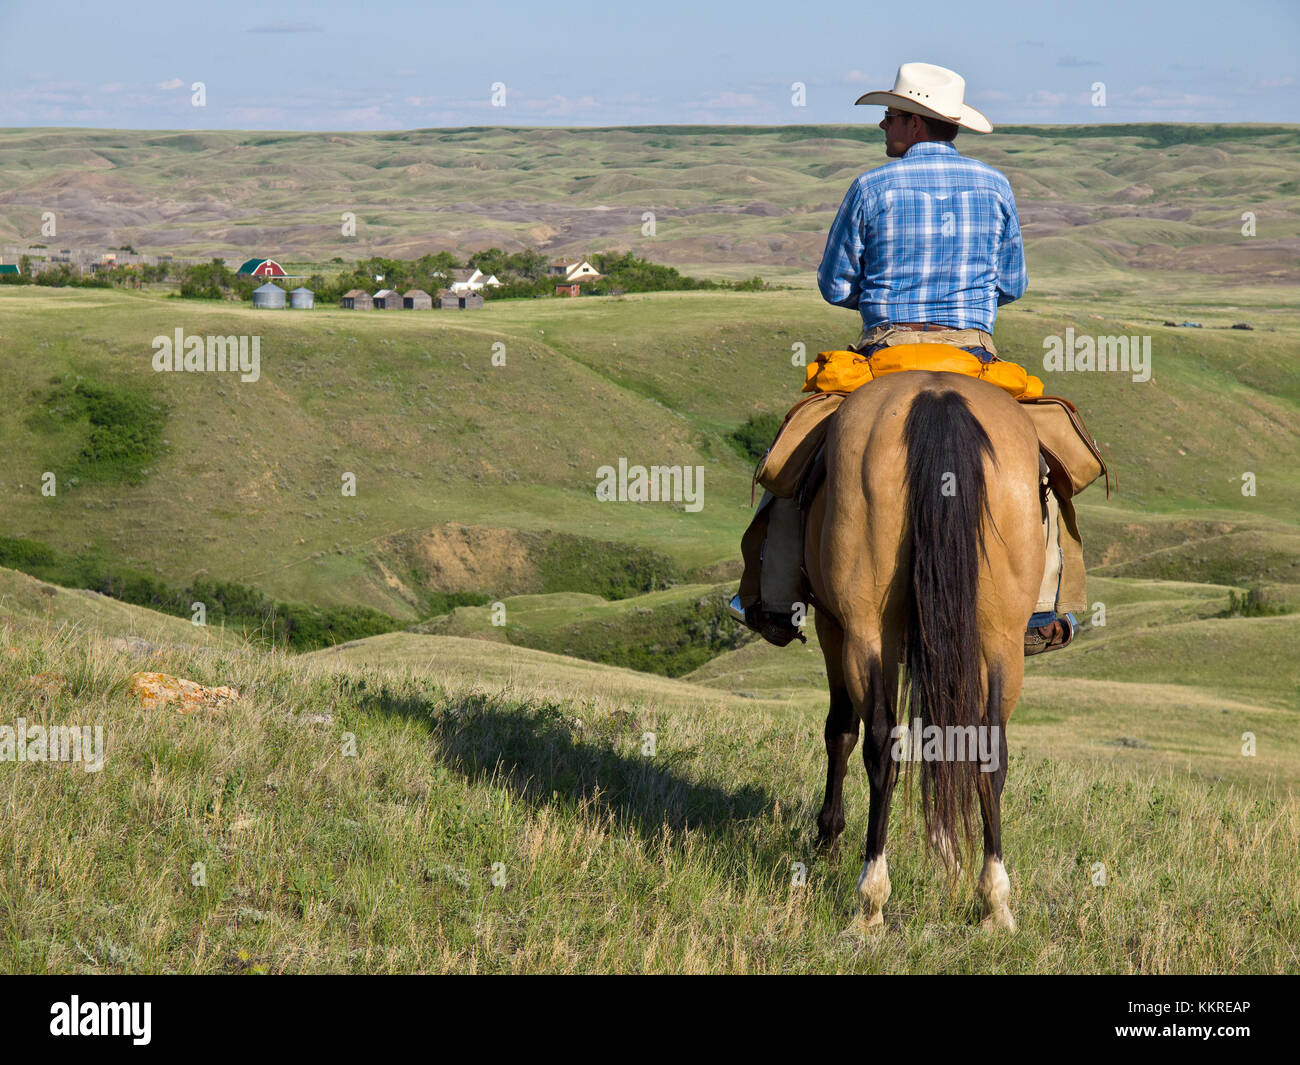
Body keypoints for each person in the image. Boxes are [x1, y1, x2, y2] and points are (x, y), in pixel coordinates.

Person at [730, 62, 1075, 656]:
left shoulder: (870, 188)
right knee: (1048, 474)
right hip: (974, 359)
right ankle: (1043, 608)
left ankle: (774, 596)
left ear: (915, 122)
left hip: (885, 357)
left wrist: (886, 291)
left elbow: (835, 286)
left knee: (793, 464)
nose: (883, 124)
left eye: (890, 114)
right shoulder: (995, 187)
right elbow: (1013, 283)